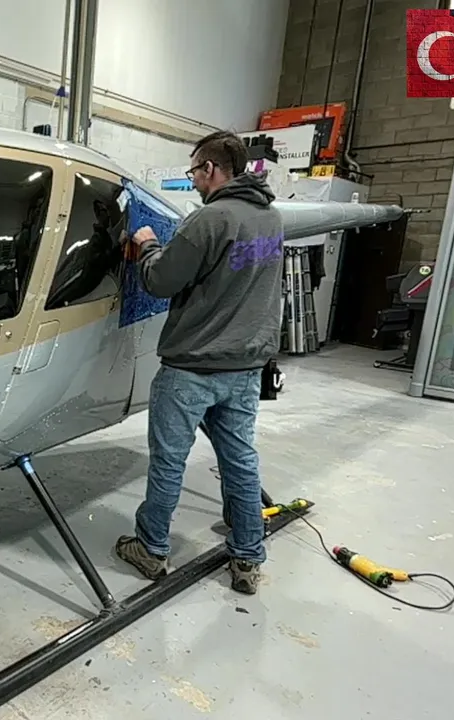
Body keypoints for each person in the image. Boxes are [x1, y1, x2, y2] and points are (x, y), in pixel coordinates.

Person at [113, 130, 284, 595]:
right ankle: (247, 557)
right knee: (240, 461)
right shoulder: (270, 219)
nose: (193, 181)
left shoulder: (210, 219)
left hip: (193, 367)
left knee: (169, 462)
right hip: (244, 367)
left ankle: (151, 548)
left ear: (210, 168)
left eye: (194, 172)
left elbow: (161, 281)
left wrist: (148, 244)